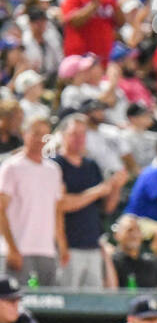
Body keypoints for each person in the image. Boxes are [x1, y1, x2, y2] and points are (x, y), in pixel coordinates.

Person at [55, 113, 127, 288]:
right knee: (67, 300)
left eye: (83, 134)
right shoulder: (56, 165)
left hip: (92, 245)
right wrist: (98, 191)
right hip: (68, 247)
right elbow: (61, 204)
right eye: (74, 134)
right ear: (63, 135)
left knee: (94, 301)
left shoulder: (91, 166)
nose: (80, 139)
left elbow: (107, 208)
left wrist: (116, 187)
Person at [0, 117, 66, 286]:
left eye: (45, 135)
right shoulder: (11, 167)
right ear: (24, 134)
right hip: (19, 250)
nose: (40, 140)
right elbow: (1, 209)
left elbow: (56, 210)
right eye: (36, 134)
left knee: (50, 305)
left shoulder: (54, 170)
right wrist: (12, 248)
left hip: (47, 251)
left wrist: (61, 244)